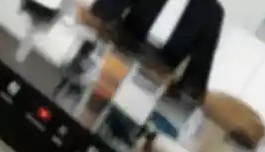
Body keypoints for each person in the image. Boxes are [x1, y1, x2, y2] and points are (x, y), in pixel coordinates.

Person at [77, 0, 225, 101]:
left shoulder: (212, 12)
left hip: (154, 78)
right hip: (119, 52)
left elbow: (197, 76)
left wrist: (175, 87)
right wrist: (100, 23)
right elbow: (104, 11)